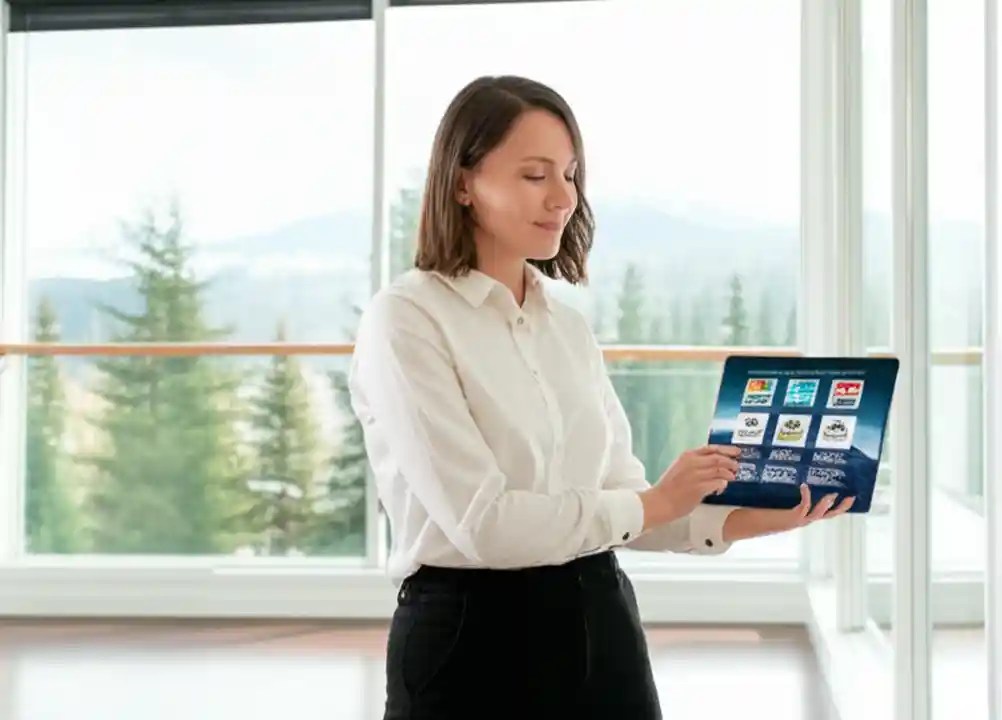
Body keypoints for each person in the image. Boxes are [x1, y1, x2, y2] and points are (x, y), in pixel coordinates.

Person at [347, 75, 854, 720]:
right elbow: (485, 527)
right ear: (462, 183)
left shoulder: (566, 326)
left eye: (570, 174)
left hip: (600, 623)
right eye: (535, 175)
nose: (563, 197)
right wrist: (649, 502)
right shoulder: (407, 320)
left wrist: (758, 516)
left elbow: (626, 499)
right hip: (469, 642)